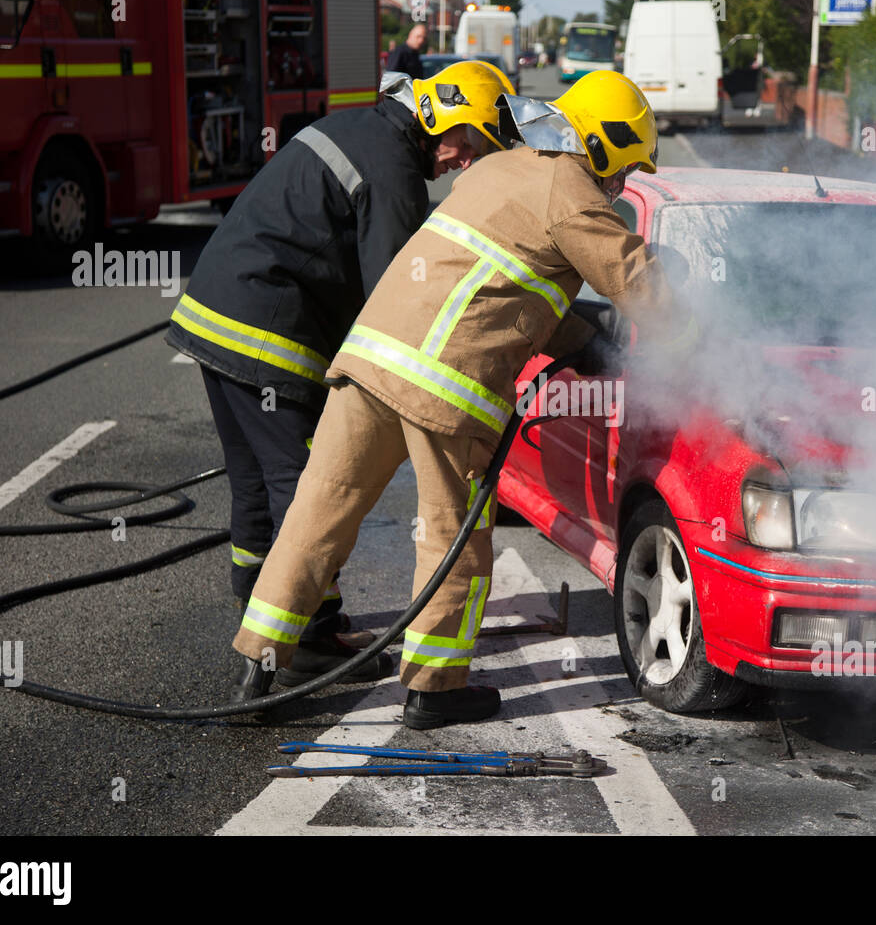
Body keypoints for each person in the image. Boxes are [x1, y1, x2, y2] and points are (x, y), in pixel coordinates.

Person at [228, 71, 693, 725]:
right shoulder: (573, 191)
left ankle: (257, 669)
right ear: (604, 143)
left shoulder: (500, 170)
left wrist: (581, 336)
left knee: (317, 512)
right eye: (626, 168)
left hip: (370, 362)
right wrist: (716, 338)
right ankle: (433, 691)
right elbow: (640, 283)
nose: (622, 185)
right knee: (451, 535)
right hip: (444, 384)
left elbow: (497, 279)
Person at [166, 61, 514, 689]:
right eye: (472, 146)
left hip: (211, 315)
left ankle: (257, 604)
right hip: (265, 333)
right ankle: (314, 634)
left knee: (254, 483)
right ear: (446, 121)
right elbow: (395, 297)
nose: (465, 163)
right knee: (305, 490)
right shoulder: (394, 174)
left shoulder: (361, 126)